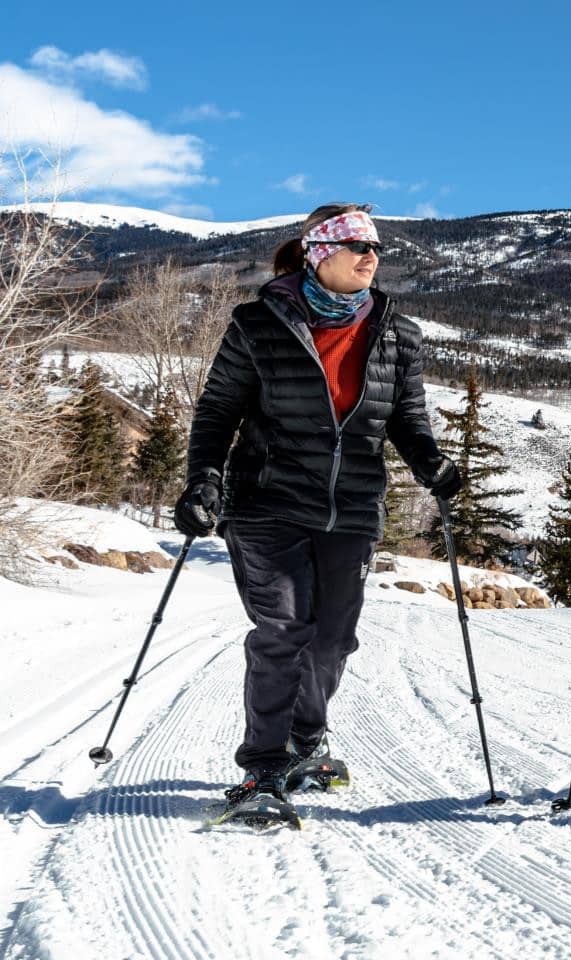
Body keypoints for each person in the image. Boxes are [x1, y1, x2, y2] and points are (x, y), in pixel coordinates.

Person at [179, 203, 462, 819]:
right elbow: (218, 411)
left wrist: (430, 461)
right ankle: (264, 767)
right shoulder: (258, 324)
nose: (370, 255)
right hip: (266, 502)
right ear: (319, 253)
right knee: (283, 629)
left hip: (351, 509)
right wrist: (203, 480)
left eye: (376, 246)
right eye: (357, 244)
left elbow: (407, 419)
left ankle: (307, 739)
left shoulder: (398, 334)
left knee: (332, 640)